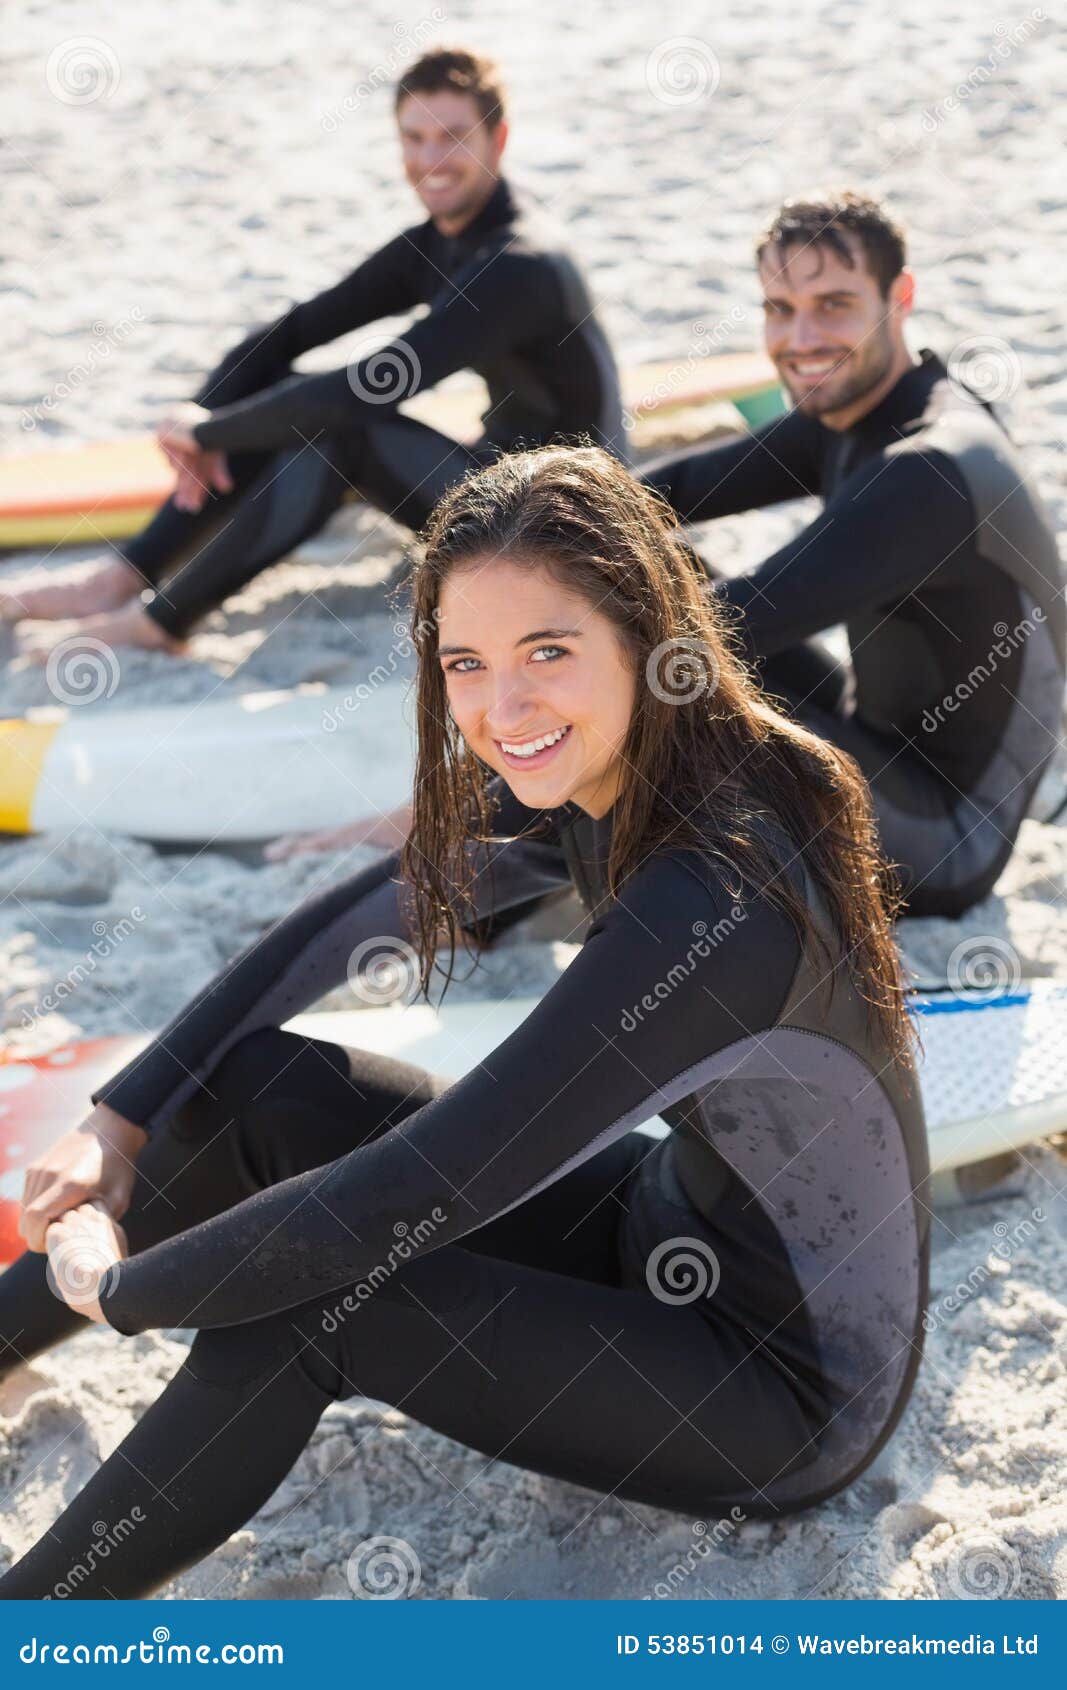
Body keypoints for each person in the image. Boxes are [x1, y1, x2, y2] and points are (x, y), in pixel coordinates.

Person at [0, 446, 929, 1600]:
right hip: (662, 1226)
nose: (502, 708)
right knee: (253, 1090)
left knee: (325, 1304)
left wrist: (129, 1293)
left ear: (641, 631)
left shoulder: (714, 894)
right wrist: (117, 1118)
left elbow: (420, 1185)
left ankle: (32, 1625)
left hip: (780, 1386)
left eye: (548, 651)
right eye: (465, 664)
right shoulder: (613, 760)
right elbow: (335, 927)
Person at [0, 47, 624, 656]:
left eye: (454, 137)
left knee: (338, 429)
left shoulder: (518, 265)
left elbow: (367, 387)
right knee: (284, 388)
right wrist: (201, 413)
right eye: (414, 138)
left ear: (499, 139)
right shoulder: (441, 240)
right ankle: (126, 574)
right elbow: (294, 331)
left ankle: (160, 623)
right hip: (502, 476)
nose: (432, 158)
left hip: (570, 524)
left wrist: (212, 432)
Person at [643, 190, 1065, 920]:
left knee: (660, 674)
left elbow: (724, 628)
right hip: (877, 744)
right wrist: (519, 520)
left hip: (946, 841)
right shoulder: (850, 406)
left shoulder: (927, 466)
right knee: (646, 576)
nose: (800, 337)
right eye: (779, 308)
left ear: (898, 297)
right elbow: (669, 491)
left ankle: (470, 874)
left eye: (833, 304)